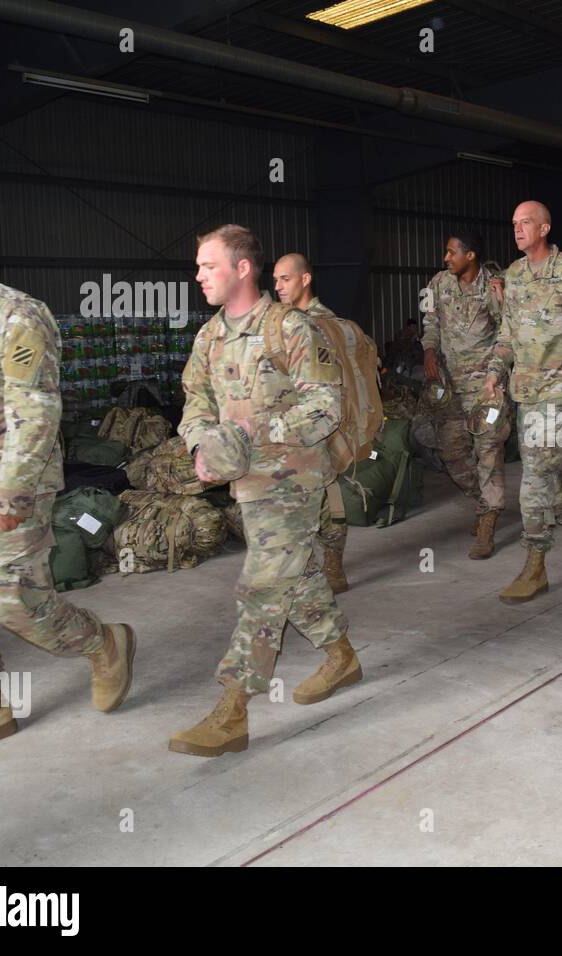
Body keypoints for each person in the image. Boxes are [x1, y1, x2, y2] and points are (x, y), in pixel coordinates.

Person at [0, 206, 135, 763]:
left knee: (16, 604)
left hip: (4, 489)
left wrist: (15, 490)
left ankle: (104, 642)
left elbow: (35, 409)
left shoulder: (17, 315)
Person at [170, 224, 356, 757]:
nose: (199, 275)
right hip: (247, 486)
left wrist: (256, 431)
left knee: (262, 588)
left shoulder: (290, 328)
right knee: (295, 578)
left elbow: (326, 408)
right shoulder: (209, 338)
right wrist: (201, 446)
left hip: (294, 481)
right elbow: (194, 401)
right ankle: (342, 656)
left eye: (209, 266)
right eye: (199, 267)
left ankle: (232, 710)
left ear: (243, 268)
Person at [484, 200, 562, 603]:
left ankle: (535, 566)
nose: (518, 229)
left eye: (526, 223)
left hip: (559, 390)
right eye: (514, 223)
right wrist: (494, 370)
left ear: (545, 228)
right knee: (546, 471)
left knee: (534, 479)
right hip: (526, 391)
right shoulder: (514, 274)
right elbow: (507, 333)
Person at [419, 231, 512, 559]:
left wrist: (501, 299)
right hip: (451, 386)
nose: (446, 258)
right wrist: (429, 351)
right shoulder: (437, 283)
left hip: (486, 387)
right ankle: (484, 500)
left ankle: (488, 519)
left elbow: (507, 331)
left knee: (488, 449)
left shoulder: (494, 285)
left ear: (470, 255)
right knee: (453, 453)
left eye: (451, 252)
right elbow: (430, 322)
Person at [273, 252, 357, 592]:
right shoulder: (283, 321)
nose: (278, 286)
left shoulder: (320, 323)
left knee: (326, 495)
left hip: (318, 422)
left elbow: (328, 385)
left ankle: (333, 564)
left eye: (285, 279)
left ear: (305, 279)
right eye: (275, 280)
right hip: (289, 424)